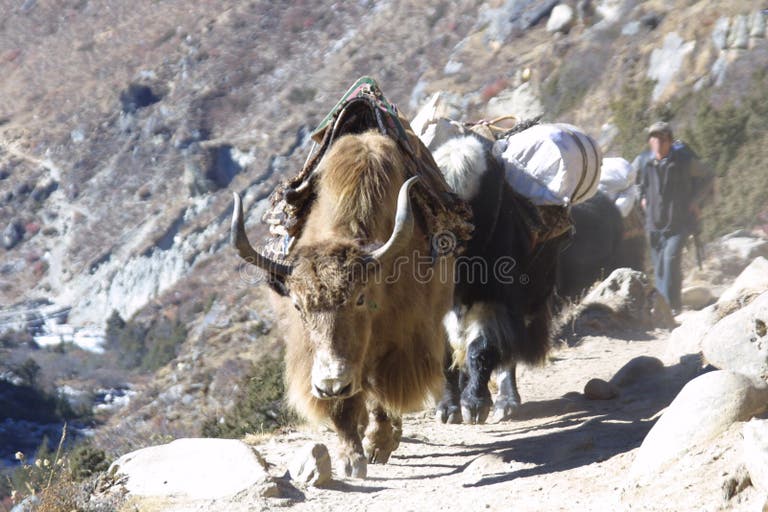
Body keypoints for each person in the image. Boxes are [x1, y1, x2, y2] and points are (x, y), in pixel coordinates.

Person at [633, 121, 713, 314]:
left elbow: (709, 175)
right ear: (649, 141)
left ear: (669, 141)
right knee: (660, 267)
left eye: (662, 138)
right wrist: (641, 197)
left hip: (680, 221)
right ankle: (667, 306)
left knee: (670, 260)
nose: (658, 142)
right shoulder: (643, 161)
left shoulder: (684, 161)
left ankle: (670, 307)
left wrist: (695, 200)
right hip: (654, 222)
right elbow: (633, 181)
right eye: (654, 138)